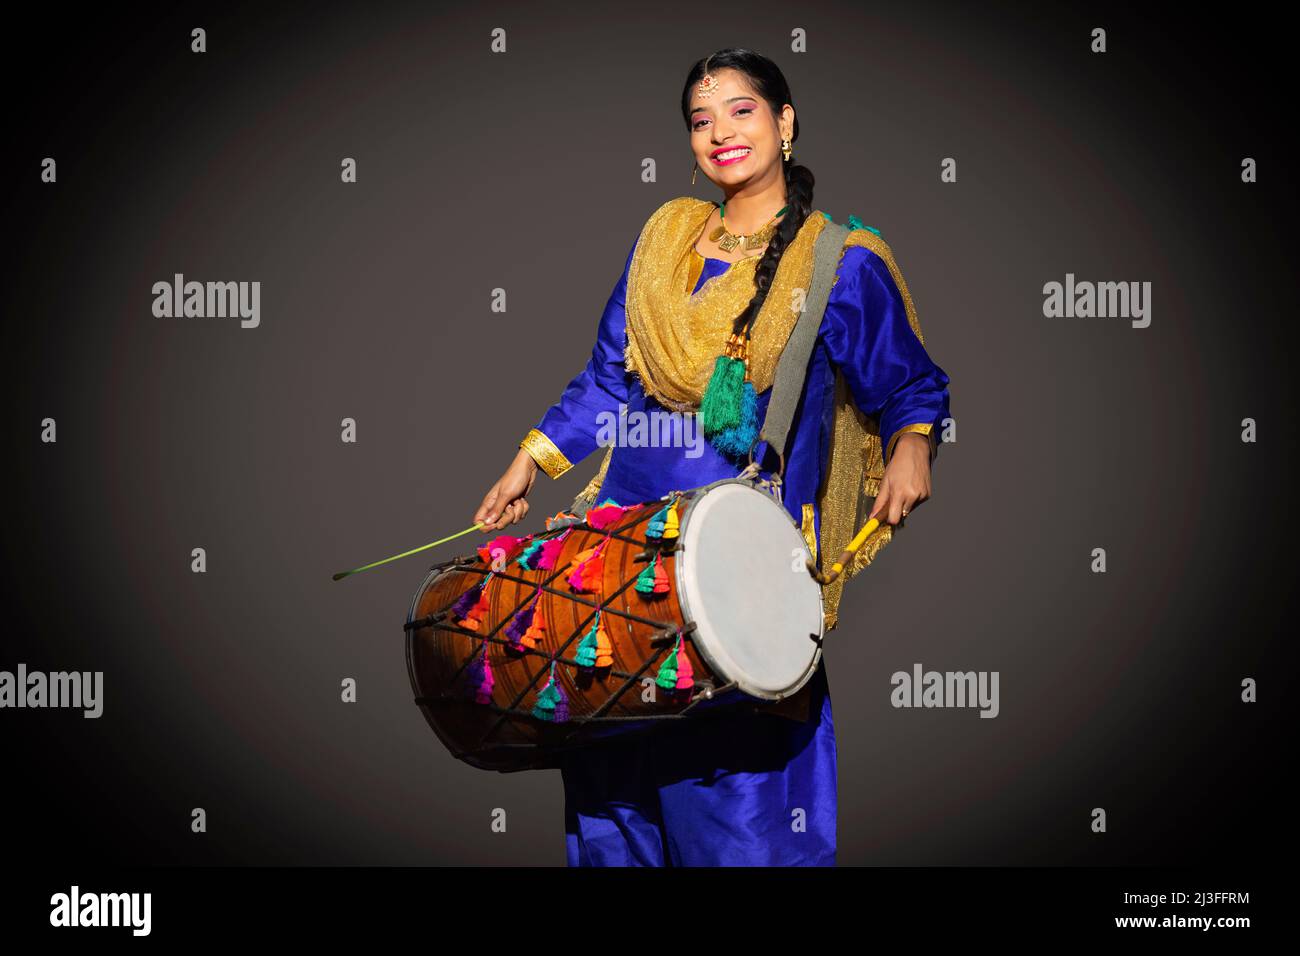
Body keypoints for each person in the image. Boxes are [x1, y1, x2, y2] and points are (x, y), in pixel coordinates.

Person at [473, 49, 951, 866]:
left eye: (741, 110)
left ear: (784, 123)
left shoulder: (839, 261)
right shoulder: (664, 243)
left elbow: (908, 383)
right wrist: (530, 460)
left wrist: (912, 447)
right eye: (702, 119)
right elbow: (607, 381)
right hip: (619, 568)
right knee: (612, 798)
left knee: (739, 814)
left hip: (743, 579)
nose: (720, 132)